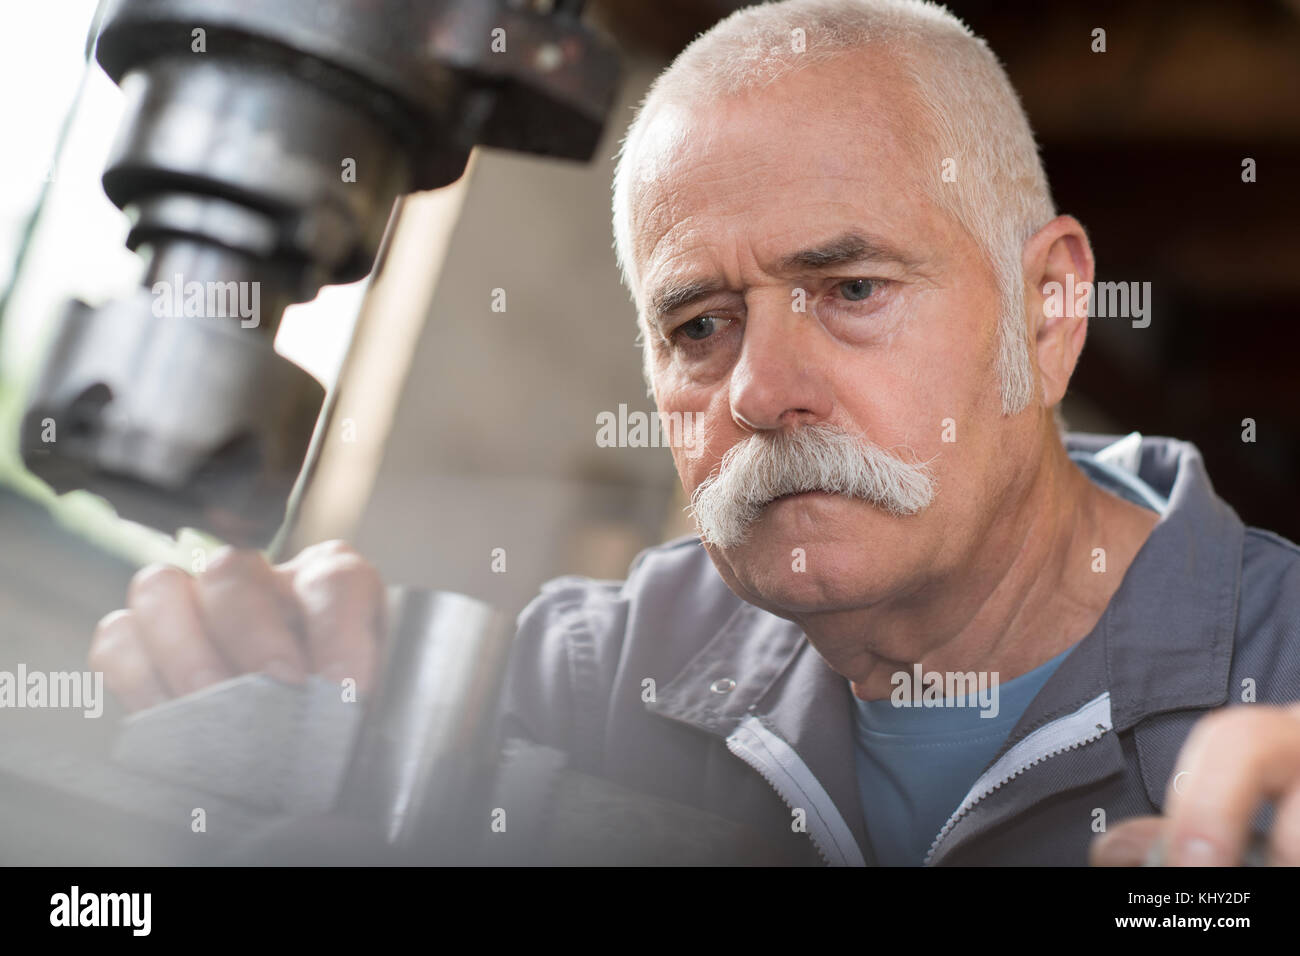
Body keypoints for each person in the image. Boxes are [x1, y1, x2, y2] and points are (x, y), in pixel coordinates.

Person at [87, 0, 1300, 865]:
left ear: (1046, 314)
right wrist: (249, 659)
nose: (762, 390)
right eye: (700, 322)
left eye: (852, 290)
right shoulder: (592, 673)